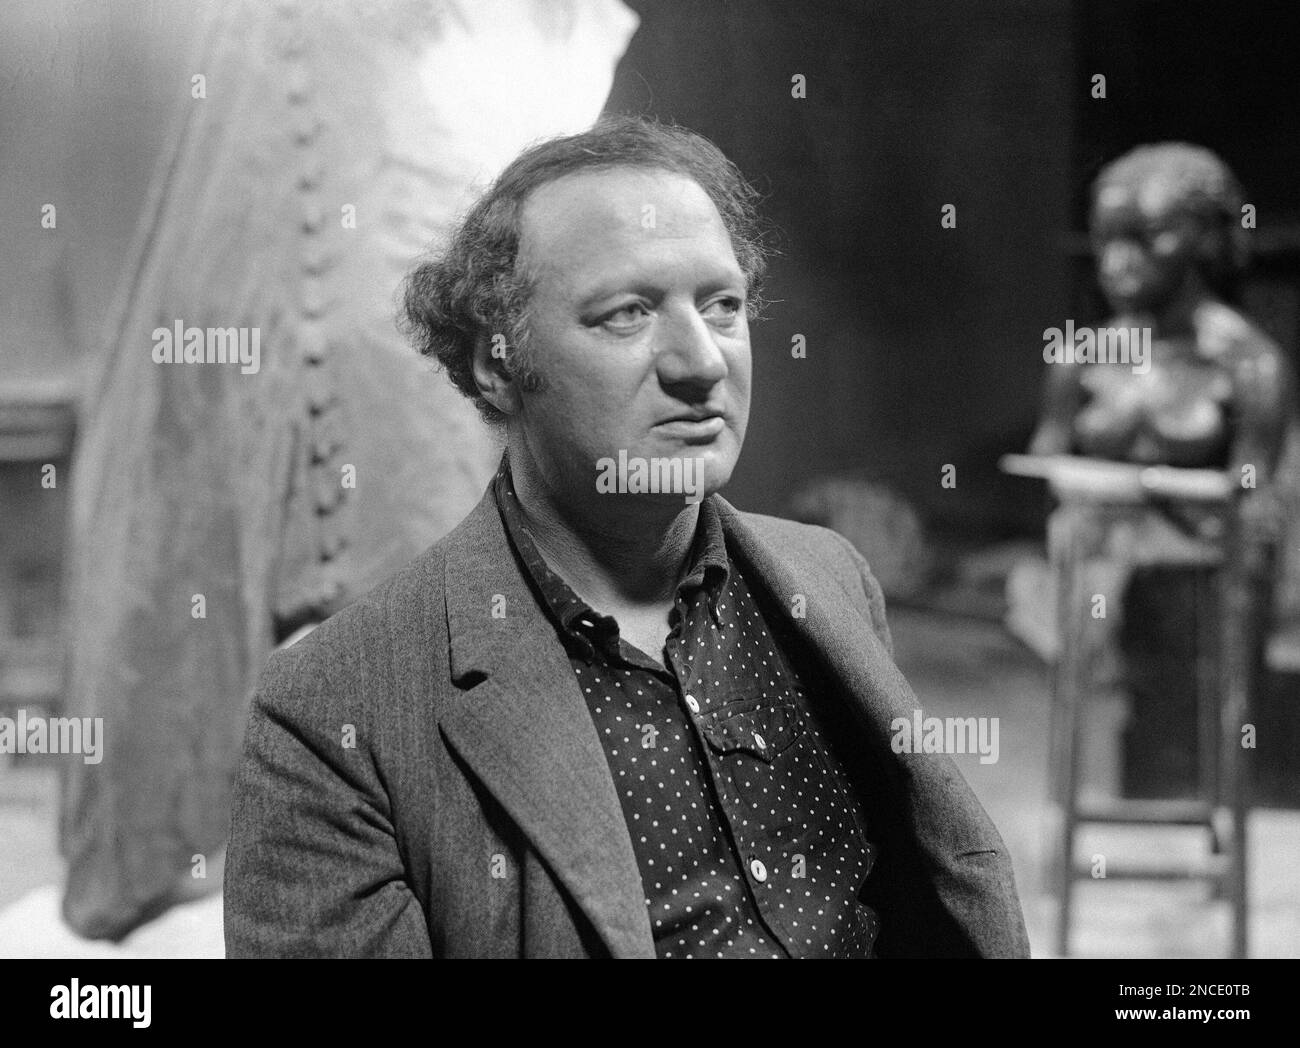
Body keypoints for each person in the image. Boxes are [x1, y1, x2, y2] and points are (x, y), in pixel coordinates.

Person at [223, 115, 1028, 958]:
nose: (701, 362)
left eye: (722, 305)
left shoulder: (828, 578)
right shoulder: (333, 708)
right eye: (627, 313)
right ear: (499, 362)